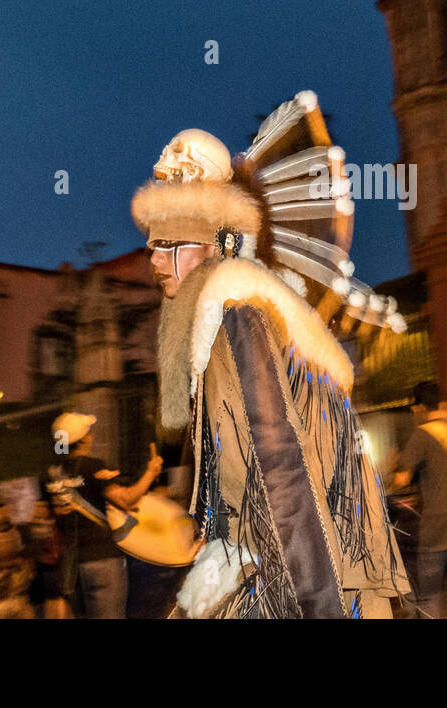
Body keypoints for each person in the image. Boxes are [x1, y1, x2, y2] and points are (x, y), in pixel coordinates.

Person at [134, 97, 409, 618]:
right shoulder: (233, 308)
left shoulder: (234, 306)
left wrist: (321, 606)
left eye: (169, 242)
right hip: (273, 565)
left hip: (307, 573)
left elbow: (281, 463)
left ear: (215, 241)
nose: (153, 258)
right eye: (151, 242)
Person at [43, 412, 164, 619]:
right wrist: (151, 473)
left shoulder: (49, 476)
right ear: (82, 439)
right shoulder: (92, 466)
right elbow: (126, 500)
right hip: (103, 561)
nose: (91, 437)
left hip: (71, 568)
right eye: (88, 433)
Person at [391, 380, 447, 619]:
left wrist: (395, 465)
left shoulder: (421, 434)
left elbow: (401, 479)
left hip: (437, 530)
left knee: (429, 598)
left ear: (418, 408)